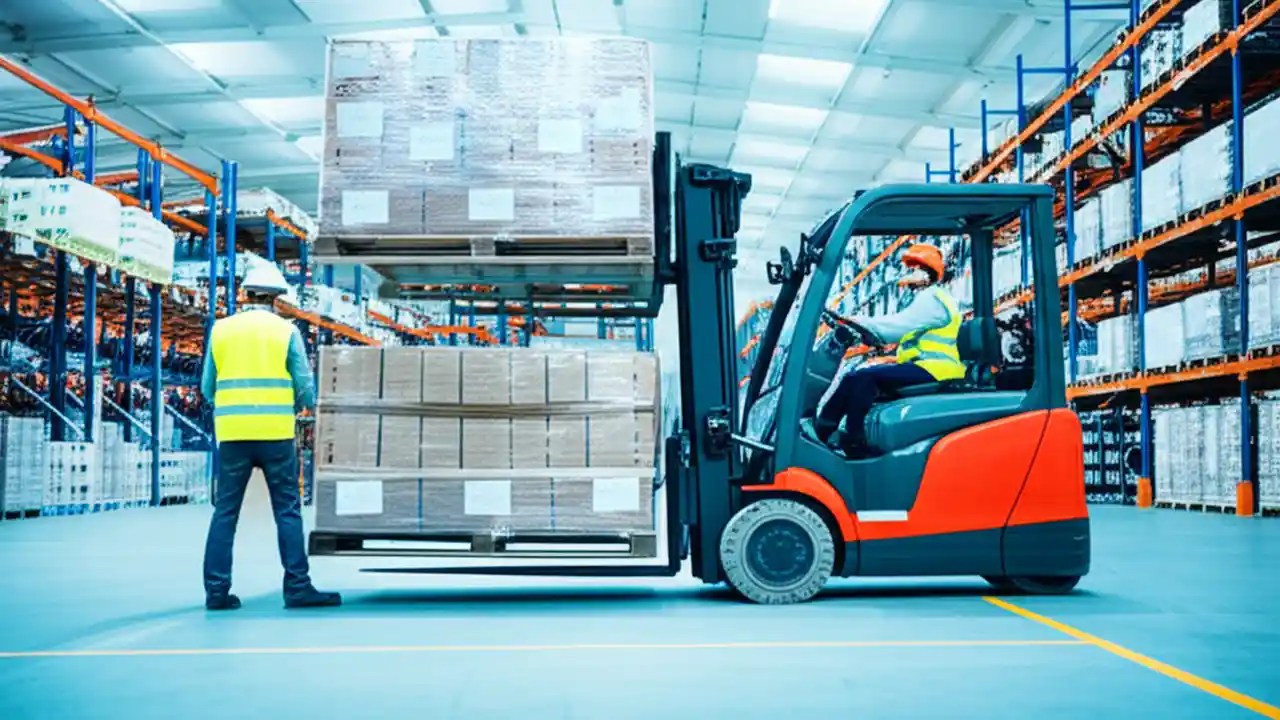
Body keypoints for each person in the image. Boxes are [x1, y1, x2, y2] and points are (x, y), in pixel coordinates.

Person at [200, 259, 341, 611]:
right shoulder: (285, 332)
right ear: (276, 298)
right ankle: (298, 587)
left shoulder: (221, 330)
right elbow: (305, 386)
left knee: (225, 512)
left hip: (232, 435)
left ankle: (216, 592)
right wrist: (299, 406)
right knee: (287, 510)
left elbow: (207, 387)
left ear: (247, 295)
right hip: (276, 434)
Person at [815, 243, 965, 457]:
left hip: (937, 368)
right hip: (925, 365)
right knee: (852, 378)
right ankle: (823, 431)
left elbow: (898, 326)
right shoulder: (926, 298)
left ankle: (853, 441)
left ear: (927, 272)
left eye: (914, 268)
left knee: (865, 378)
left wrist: (858, 322)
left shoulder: (933, 299)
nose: (908, 273)